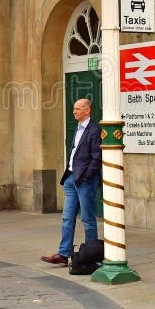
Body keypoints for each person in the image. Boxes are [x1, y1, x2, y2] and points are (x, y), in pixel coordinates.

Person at [42, 98, 102, 266]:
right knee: (67, 218)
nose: (74, 112)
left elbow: (97, 158)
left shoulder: (95, 130)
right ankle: (63, 254)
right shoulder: (77, 128)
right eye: (74, 108)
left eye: (77, 109)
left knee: (88, 219)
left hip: (84, 181)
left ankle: (91, 255)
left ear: (87, 110)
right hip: (70, 178)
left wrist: (85, 177)